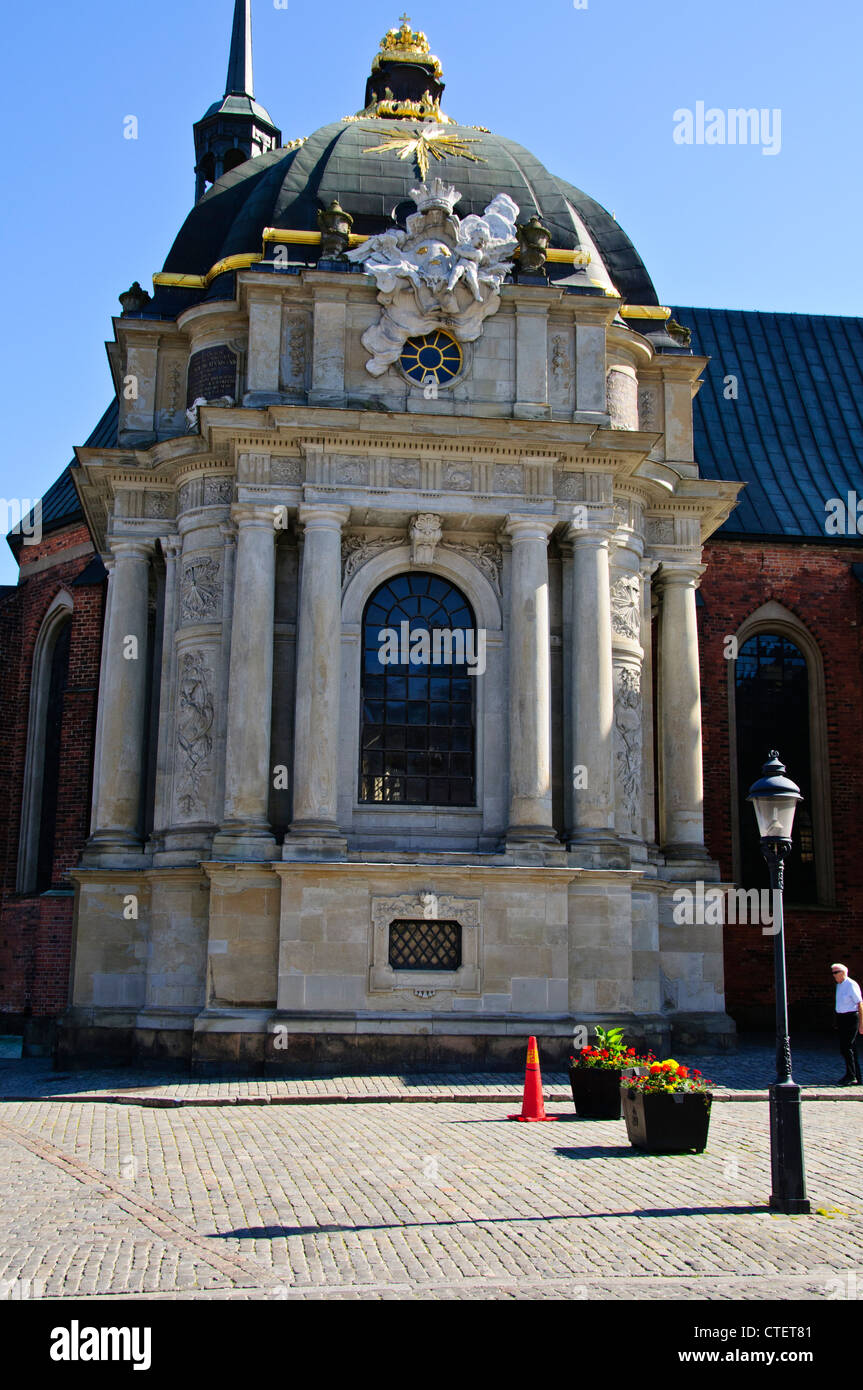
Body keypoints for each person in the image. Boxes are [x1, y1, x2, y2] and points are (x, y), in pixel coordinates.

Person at [831, 963, 863, 1085]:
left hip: (851, 1018)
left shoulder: (851, 984)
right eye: (832, 973)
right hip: (842, 1018)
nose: (833, 975)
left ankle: (851, 1075)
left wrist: (861, 1024)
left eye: (835, 972)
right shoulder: (839, 985)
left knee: (846, 1047)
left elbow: (860, 1004)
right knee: (850, 1048)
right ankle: (856, 1075)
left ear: (843, 972)